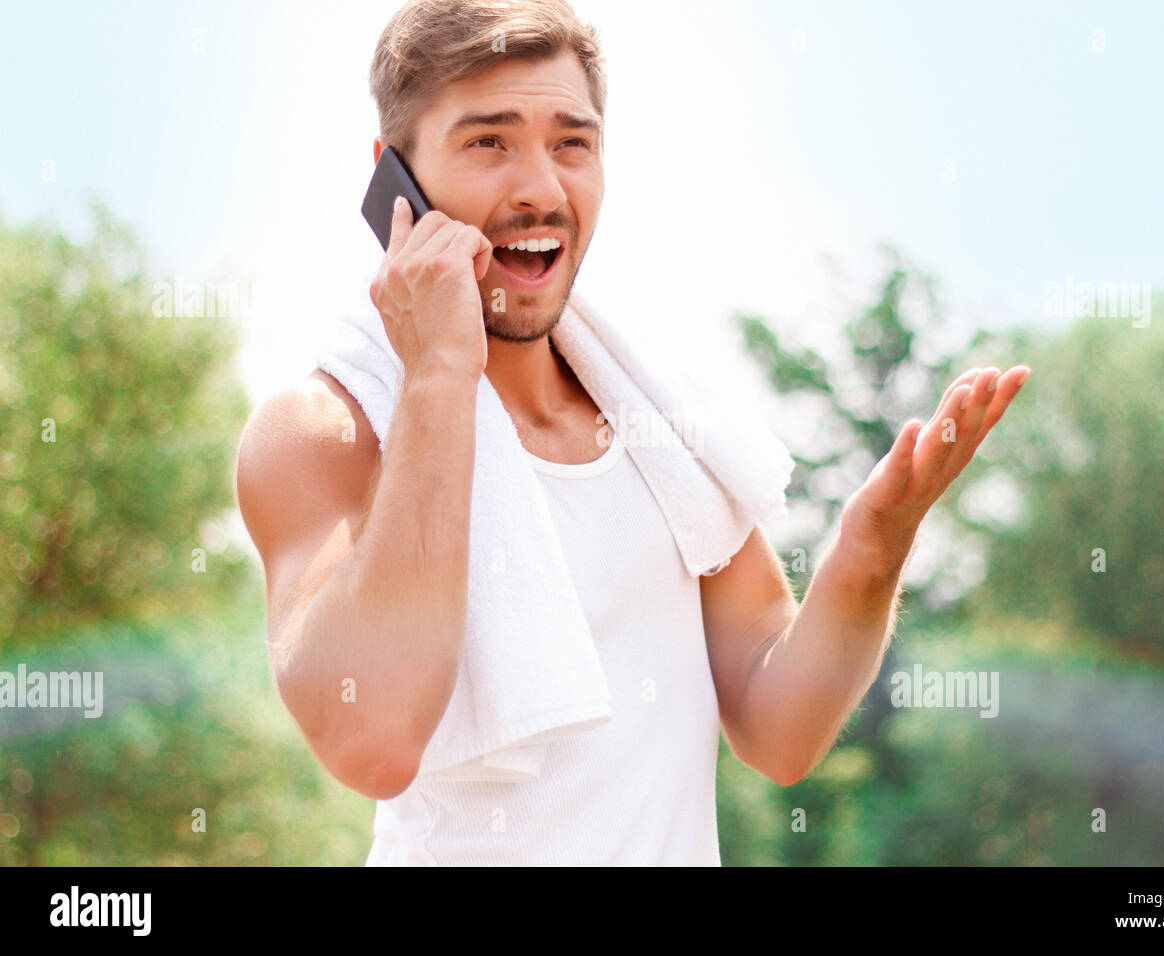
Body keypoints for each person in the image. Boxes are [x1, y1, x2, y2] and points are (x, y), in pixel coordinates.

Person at [234, 0, 1031, 865]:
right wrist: (435, 376)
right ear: (394, 177)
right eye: (488, 142)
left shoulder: (655, 422)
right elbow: (372, 739)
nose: (541, 186)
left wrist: (874, 547)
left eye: (571, 143)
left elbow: (780, 728)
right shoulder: (323, 431)